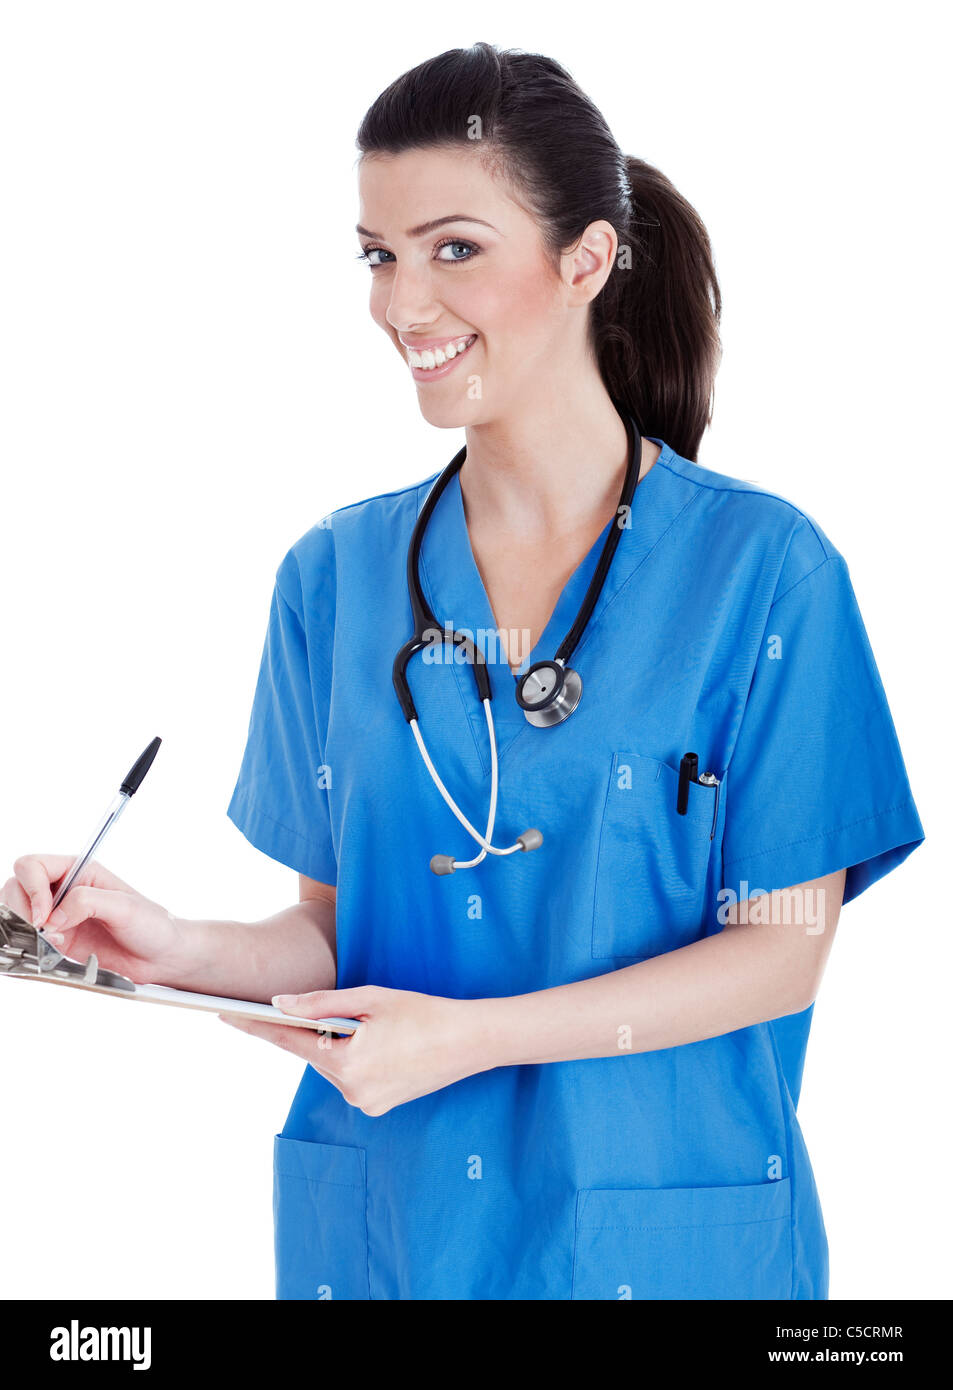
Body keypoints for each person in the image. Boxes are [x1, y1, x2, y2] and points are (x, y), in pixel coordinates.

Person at [5, 43, 924, 1301]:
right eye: (378, 255)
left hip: (658, 1251)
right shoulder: (331, 577)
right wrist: (164, 943)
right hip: (393, 1242)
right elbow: (333, 938)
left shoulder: (763, 573)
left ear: (585, 259)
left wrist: (473, 1039)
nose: (401, 305)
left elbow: (777, 953)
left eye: (453, 249)